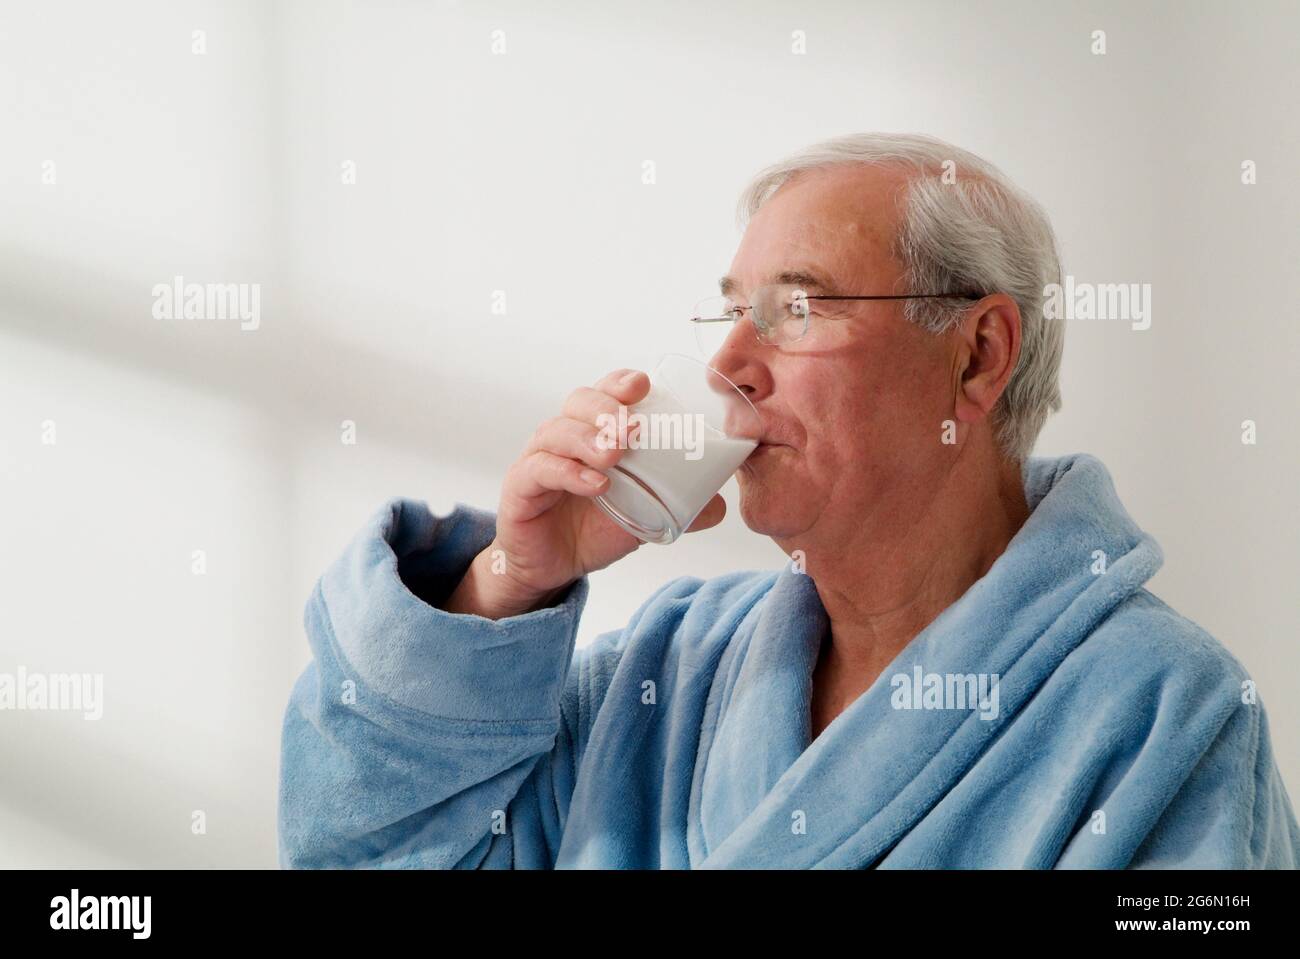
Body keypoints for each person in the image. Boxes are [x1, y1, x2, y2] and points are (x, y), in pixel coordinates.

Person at [278, 133, 1300, 868]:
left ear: (976, 354)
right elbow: (359, 849)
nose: (728, 362)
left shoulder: (1165, 711)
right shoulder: (670, 668)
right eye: (730, 313)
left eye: (795, 309)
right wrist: (508, 578)